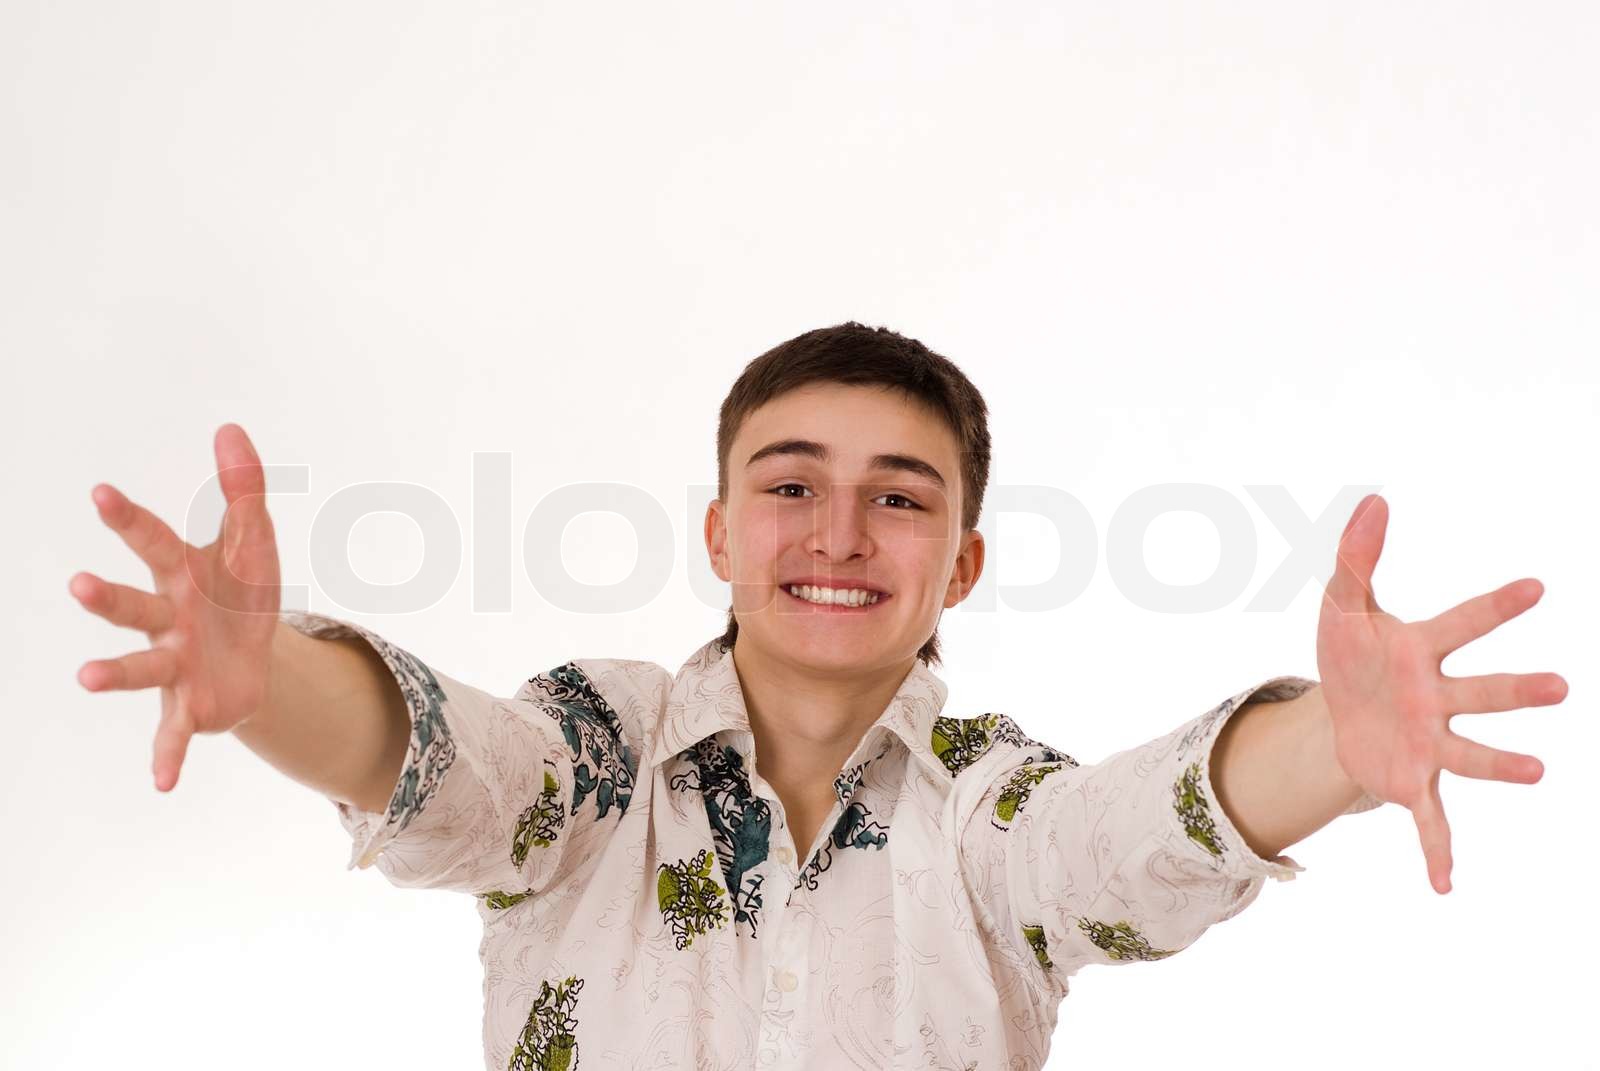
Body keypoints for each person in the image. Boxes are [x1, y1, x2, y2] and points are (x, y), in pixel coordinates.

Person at [70, 322, 1566, 1070]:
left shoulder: (993, 803)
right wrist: (266, 681)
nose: (841, 535)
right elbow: (458, 773)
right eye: (791, 487)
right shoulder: (599, 747)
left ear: (960, 563)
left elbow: (1118, 849)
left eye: (898, 499)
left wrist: (1330, 748)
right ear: (722, 533)